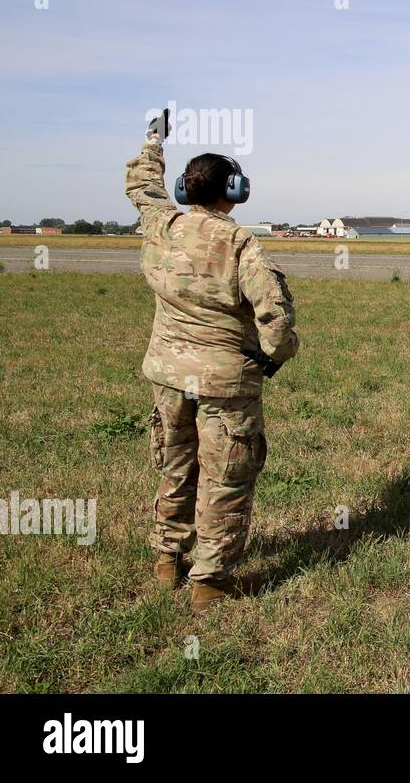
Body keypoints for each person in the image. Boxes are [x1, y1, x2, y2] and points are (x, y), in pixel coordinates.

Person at [125, 111, 299, 612]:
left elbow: (142, 184)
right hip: (226, 384)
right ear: (236, 190)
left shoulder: (161, 225)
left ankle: (166, 561)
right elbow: (275, 316)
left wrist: (153, 139)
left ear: (184, 190)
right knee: (225, 478)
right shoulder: (240, 242)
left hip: (167, 377)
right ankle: (210, 582)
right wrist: (275, 355)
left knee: (176, 467)